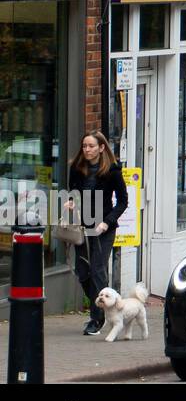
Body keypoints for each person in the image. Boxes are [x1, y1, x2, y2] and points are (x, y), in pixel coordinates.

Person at [66, 131, 129, 336]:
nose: (87, 149)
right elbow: (73, 193)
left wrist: (107, 222)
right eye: (84, 146)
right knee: (82, 272)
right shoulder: (77, 168)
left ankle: (97, 318)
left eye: (91, 146)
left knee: (98, 271)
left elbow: (122, 201)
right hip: (81, 228)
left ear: (101, 148)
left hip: (103, 228)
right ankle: (100, 305)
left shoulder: (112, 171)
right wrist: (71, 202)